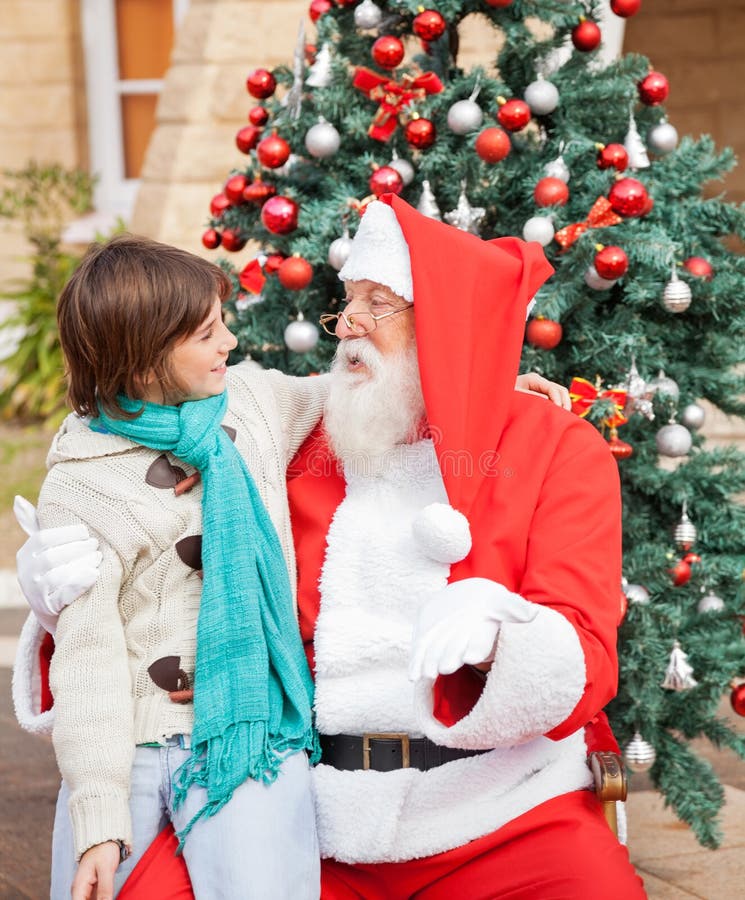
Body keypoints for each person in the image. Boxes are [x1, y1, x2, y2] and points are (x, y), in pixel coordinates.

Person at [16, 196, 644, 898]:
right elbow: (161, 572)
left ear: (445, 321)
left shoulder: (553, 447)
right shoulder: (290, 440)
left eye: (375, 304)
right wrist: (59, 599)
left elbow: (584, 655)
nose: (345, 324)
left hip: (501, 812)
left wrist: (506, 635)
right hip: (303, 811)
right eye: (348, 301)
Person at [14, 235, 327, 900]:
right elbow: (90, 655)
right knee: (95, 878)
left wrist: (495, 392)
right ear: (147, 359)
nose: (229, 341)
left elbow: (362, 394)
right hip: (126, 743)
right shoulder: (83, 483)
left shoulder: (253, 404)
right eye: (208, 333)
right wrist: (98, 818)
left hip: (248, 730)